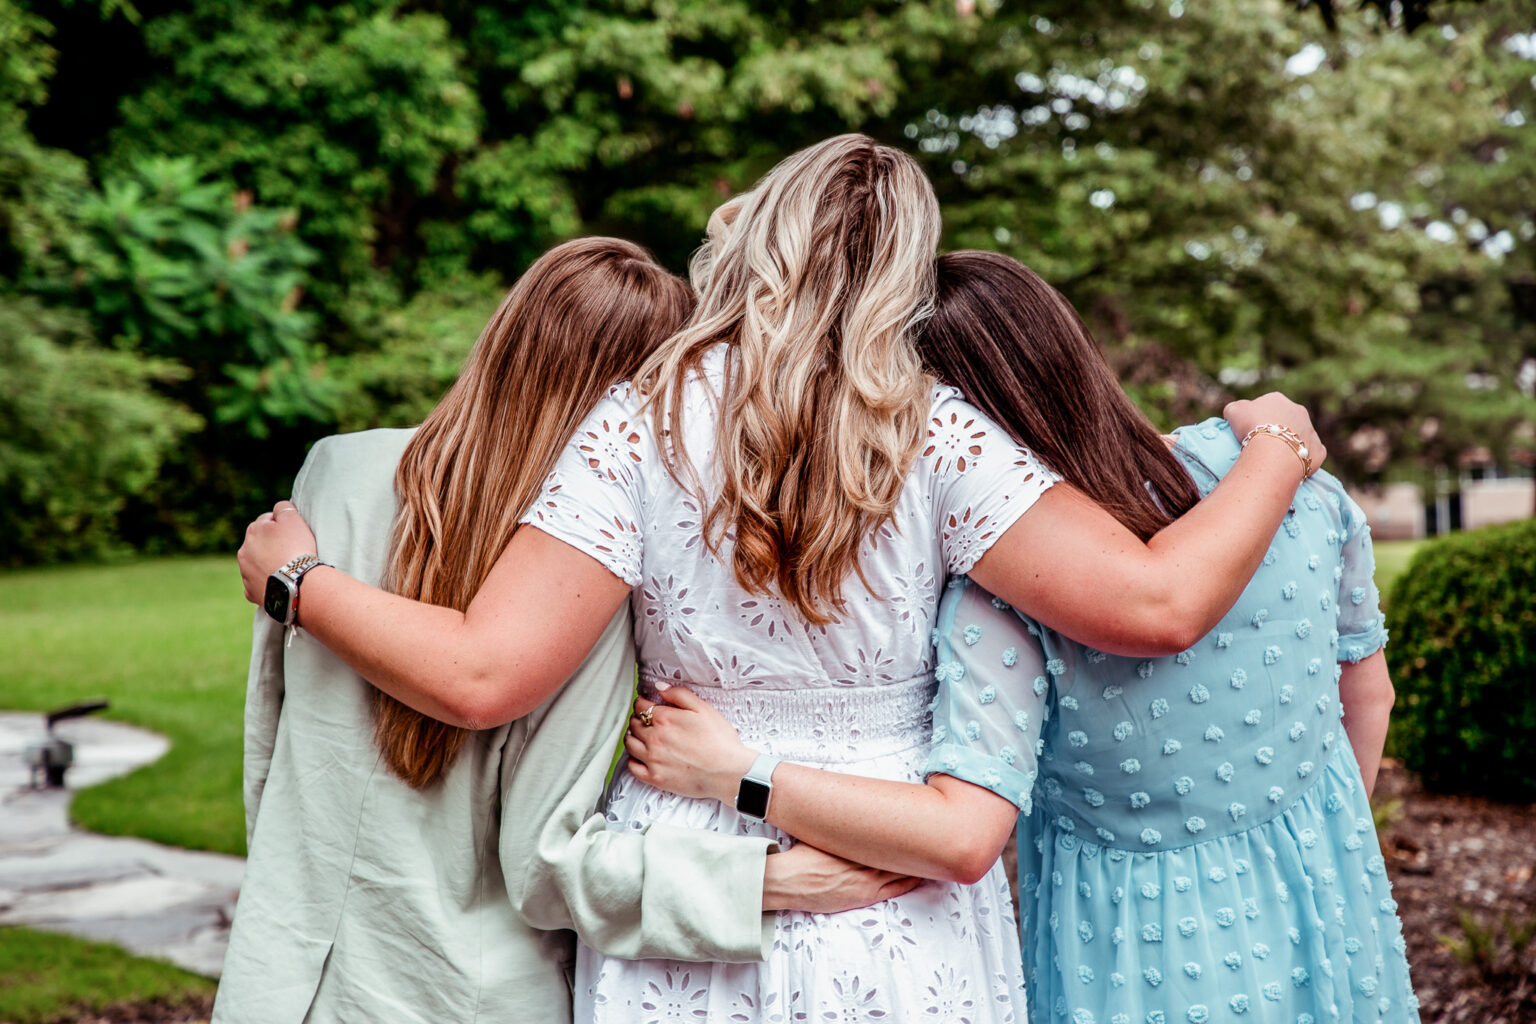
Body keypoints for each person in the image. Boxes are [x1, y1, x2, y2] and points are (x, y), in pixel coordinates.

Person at [237, 136, 1325, 1023]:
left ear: (756, 244)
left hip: (687, 880)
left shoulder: (641, 422)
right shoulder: (940, 438)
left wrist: (300, 582)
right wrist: (1277, 448)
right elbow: (1161, 604)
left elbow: (483, 673)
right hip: (895, 875)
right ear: (905, 276)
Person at [625, 250, 1416, 1024]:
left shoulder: (999, 599)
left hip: (1137, 955)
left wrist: (741, 771)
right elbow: (1368, 691)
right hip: (1333, 898)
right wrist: (1315, 839)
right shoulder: (1287, 481)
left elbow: (960, 831)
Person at [214, 237, 914, 1024]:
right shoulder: (587, 584)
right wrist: (770, 883)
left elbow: (269, 749)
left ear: (505, 332)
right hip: (466, 996)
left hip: (285, 975)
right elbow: (548, 863)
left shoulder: (334, 476)